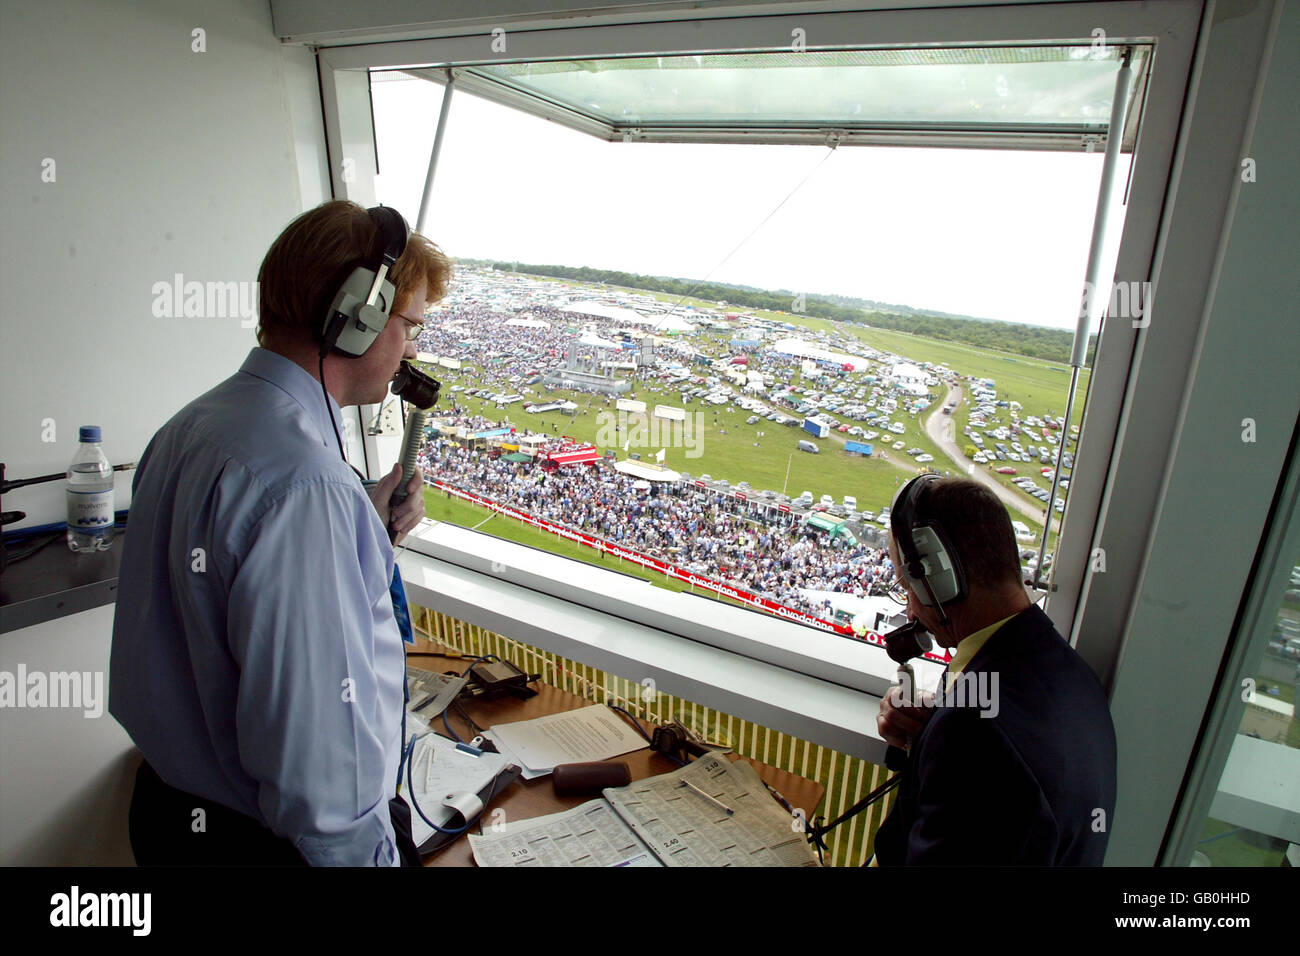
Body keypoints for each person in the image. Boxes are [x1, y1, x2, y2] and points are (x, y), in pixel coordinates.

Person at [110, 201, 452, 866]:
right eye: (409, 325)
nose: (412, 348)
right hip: (267, 847)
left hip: (171, 815)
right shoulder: (307, 489)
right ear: (357, 316)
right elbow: (321, 774)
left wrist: (366, 536)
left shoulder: (191, 427)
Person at [872, 475, 1116, 865]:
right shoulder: (1071, 676)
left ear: (938, 578)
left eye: (908, 584)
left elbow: (985, 760)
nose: (910, 608)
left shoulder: (974, 736)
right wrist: (930, 729)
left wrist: (947, 733)